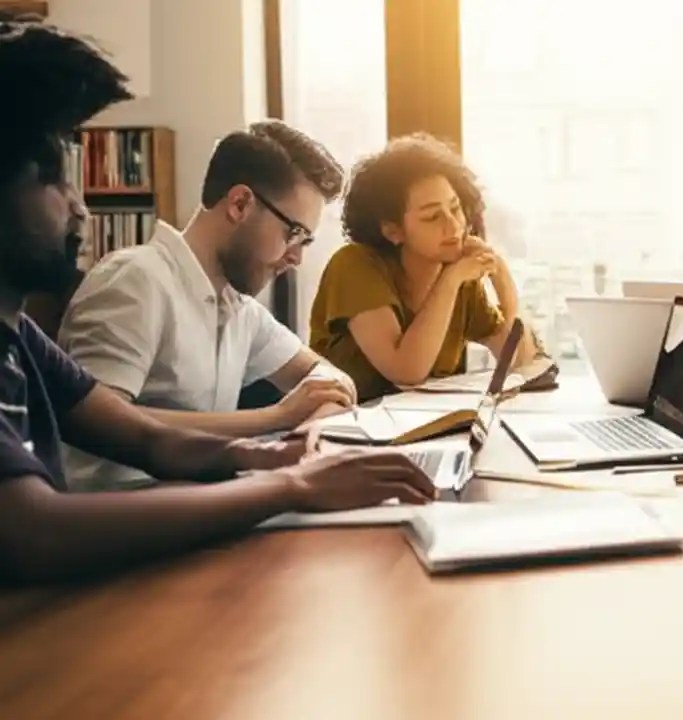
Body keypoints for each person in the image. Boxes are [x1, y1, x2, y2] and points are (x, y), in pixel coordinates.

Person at [0, 20, 432, 582]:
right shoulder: (135, 281)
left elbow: (148, 439)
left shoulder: (19, 338)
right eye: (53, 179)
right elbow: (35, 531)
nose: (81, 210)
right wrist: (288, 476)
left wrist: (265, 456)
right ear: (239, 204)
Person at [58, 121, 358, 491]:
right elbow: (99, 422)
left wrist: (309, 432)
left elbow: (331, 378)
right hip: (120, 519)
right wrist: (276, 417)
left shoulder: (237, 307)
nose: (295, 257)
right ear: (240, 204)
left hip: (201, 504)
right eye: (293, 233)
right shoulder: (135, 280)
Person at [310, 133, 539, 401]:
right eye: (432, 217)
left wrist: (501, 276)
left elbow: (519, 361)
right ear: (393, 231)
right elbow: (406, 370)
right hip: (343, 428)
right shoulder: (354, 266)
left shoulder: (458, 277)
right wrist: (451, 280)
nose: (454, 225)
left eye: (455, 208)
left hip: (427, 434)